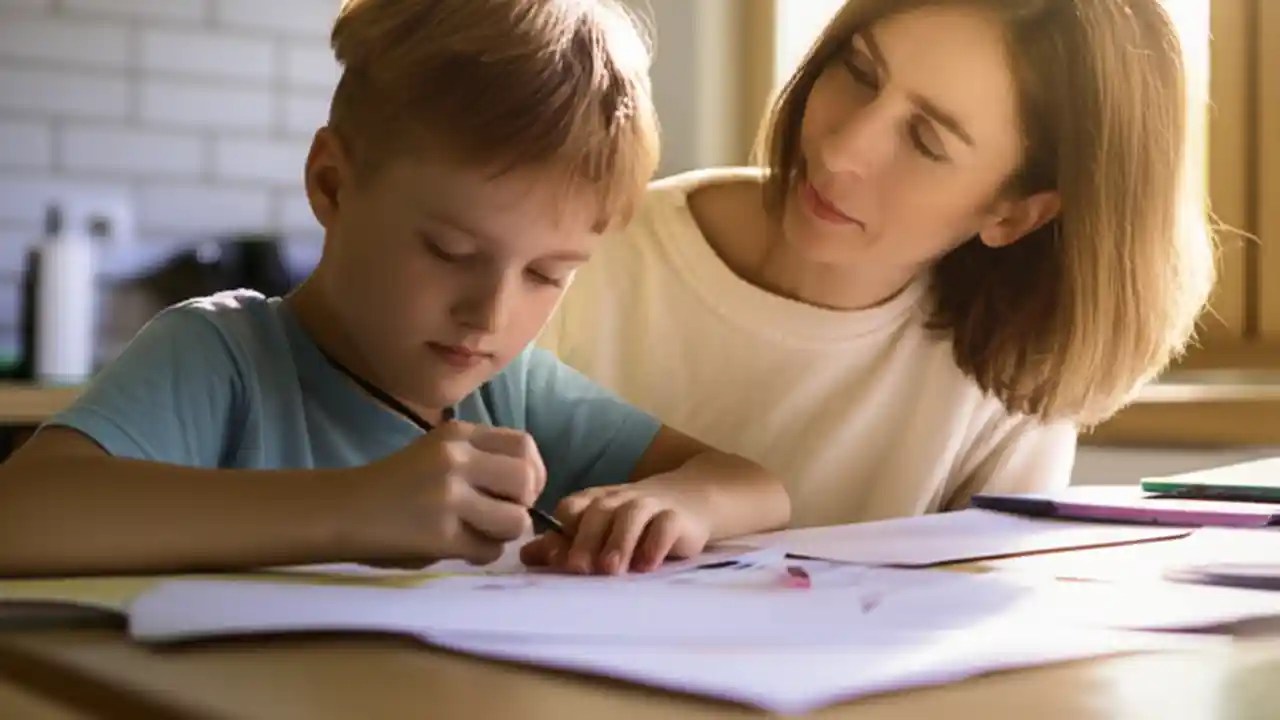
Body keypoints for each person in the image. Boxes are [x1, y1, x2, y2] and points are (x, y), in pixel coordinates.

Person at [0, 0, 790, 578]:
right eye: (449, 250)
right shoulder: (224, 359)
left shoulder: (509, 394)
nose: (490, 314)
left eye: (547, 274)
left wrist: (682, 507)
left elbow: (752, 484)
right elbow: (20, 517)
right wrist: (353, 508)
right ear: (332, 185)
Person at [540, 0, 1215, 527]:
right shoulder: (575, 256)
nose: (840, 151)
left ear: (1015, 214)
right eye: (859, 72)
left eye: (925, 140)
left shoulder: (1006, 382)